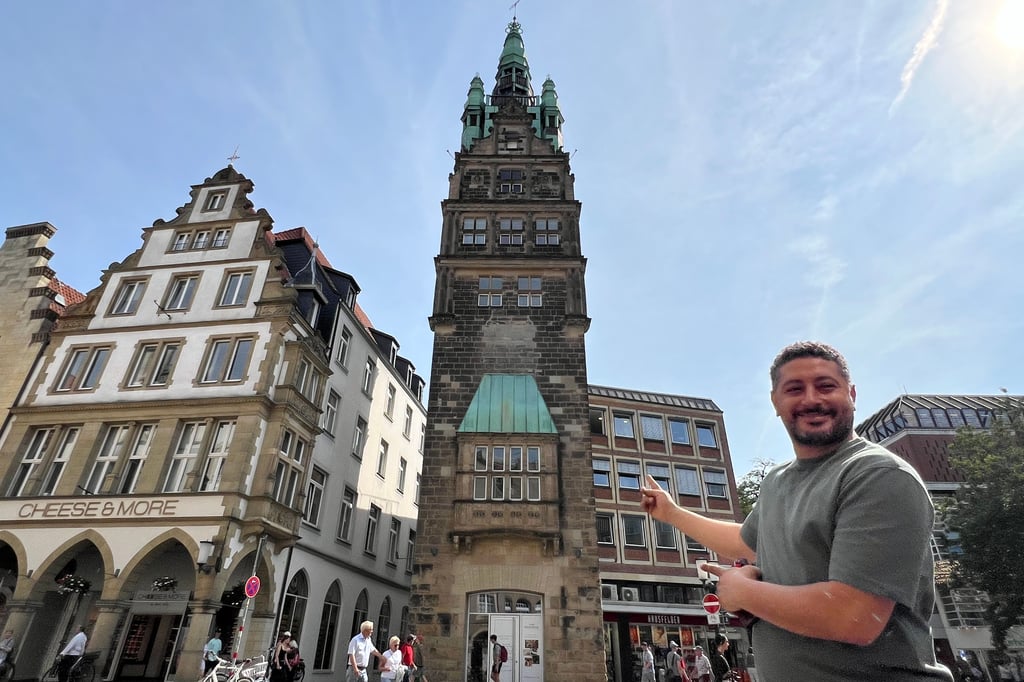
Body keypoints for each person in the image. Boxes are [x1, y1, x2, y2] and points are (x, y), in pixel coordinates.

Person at [640, 341, 954, 682]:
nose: (811, 399)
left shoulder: (876, 474)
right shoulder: (778, 479)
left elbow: (852, 616)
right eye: (794, 389)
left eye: (825, 386)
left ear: (851, 394)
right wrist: (671, 513)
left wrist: (740, 591)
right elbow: (748, 542)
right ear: (776, 402)